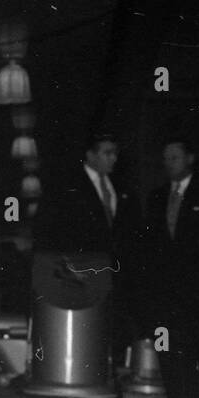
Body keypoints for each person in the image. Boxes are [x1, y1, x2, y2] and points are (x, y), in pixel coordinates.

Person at [32, 130, 141, 360]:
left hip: (114, 274)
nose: (113, 158)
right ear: (90, 155)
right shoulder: (69, 186)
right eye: (107, 153)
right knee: (86, 334)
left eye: (115, 153)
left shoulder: (120, 187)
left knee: (112, 330)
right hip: (83, 274)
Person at [139, 136, 199, 398]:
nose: (169, 164)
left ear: (190, 159)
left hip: (197, 286)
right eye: (165, 158)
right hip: (165, 288)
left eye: (174, 157)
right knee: (167, 342)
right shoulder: (157, 197)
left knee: (195, 344)